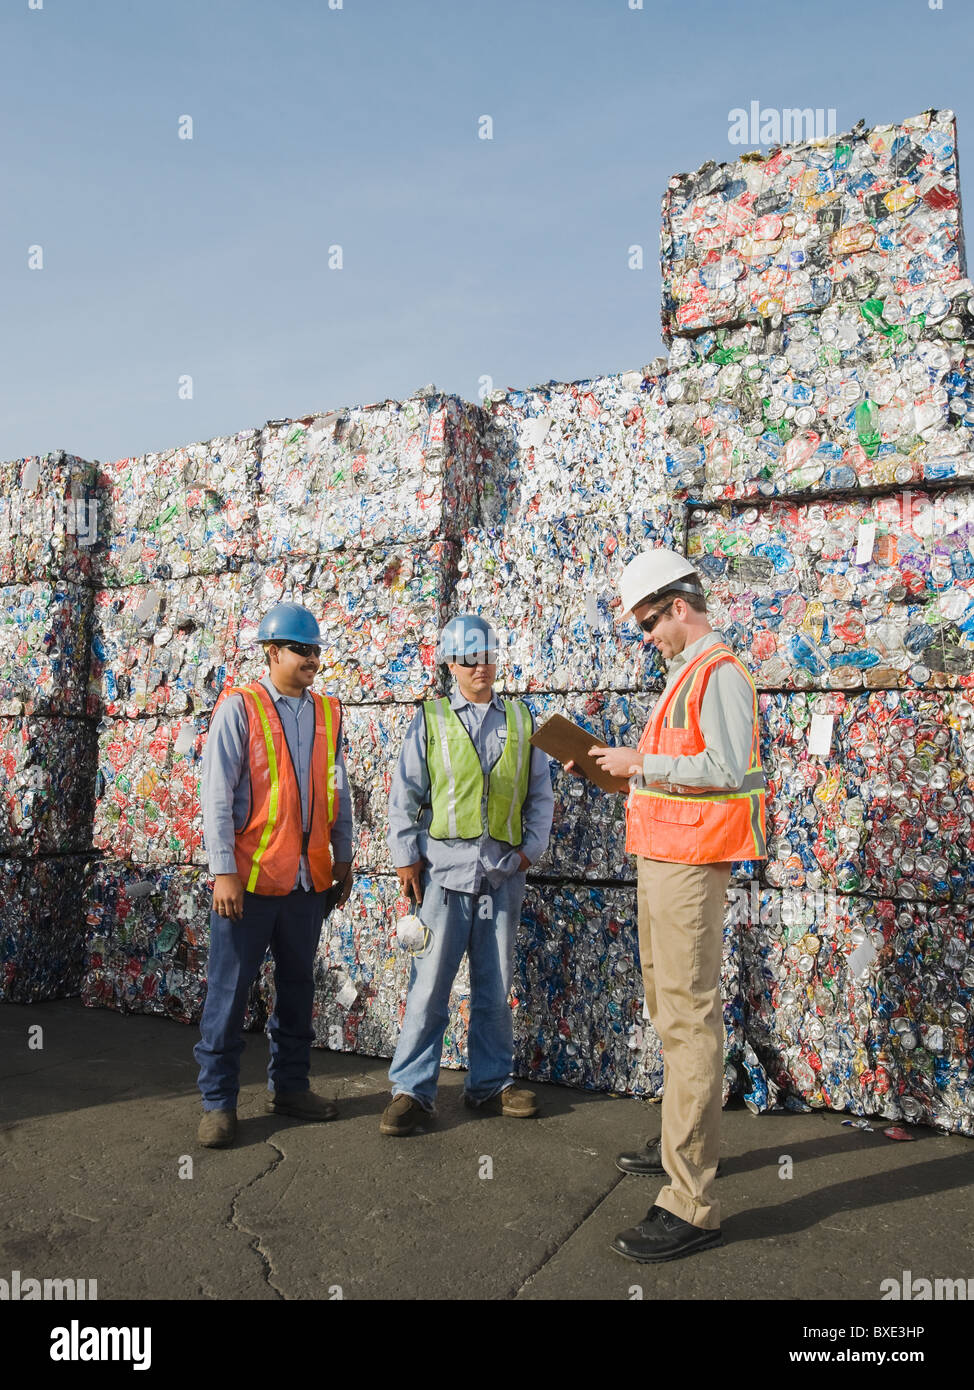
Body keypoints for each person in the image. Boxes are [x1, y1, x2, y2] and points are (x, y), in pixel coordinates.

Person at [581, 549, 765, 1261]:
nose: (646, 636)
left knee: (689, 1022)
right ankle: (676, 1142)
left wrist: (642, 763)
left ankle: (692, 1202)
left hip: (690, 867)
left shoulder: (717, 672)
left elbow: (722, 768)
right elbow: (677, 769)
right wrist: (617, 766)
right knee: (669, 1010)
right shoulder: (685, 674)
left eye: (649, 623)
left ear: (678, 607)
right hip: (664, 859)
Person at [381, 614, 555, 1135]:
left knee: (494, 985)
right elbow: (405, 795)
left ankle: (491, 1084)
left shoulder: (522, 721)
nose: (480, 669)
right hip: (442, 875)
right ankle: (412, 1089)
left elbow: (540, 796)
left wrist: (530, 851)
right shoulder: (430, 720)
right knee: (429, 985)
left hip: (501, 875)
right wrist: (405, 855)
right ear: (451, 665)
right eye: (468, 660)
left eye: (486, 658)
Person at [194, 602, 354, 1148]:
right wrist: (223, 871)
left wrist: (344, 856)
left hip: (308, 883)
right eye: (301, 650)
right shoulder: (241, 708)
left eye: (315, 650)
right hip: (251, 881)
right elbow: (216, 795)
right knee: (230, 991)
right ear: (273, 653)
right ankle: (218, 1102)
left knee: (297, 987)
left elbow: (338, 790)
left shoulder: (328, 713)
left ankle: (290, 1086)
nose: (312, 659)